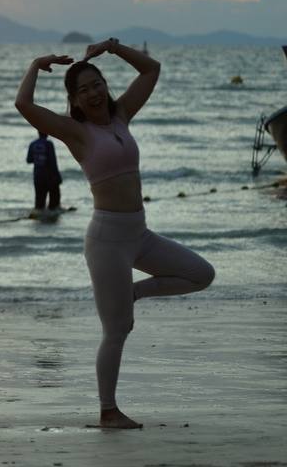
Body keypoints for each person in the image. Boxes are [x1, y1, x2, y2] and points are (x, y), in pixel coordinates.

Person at [14, 38, 214, 429]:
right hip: (107, 241)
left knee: (201, 274)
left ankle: (134, 292)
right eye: (83, 90)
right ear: (74, 99)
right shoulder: (76, 132)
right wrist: (36, 65)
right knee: (118, 329)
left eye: (97, 84)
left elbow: (151, 69)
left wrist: (113, 47)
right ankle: (108, 411)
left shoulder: (122, 115)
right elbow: (24, 105)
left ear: (106, 86)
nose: (92, 93)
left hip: (140, 234)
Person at [26, 130, 62, 212]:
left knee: (39, 203)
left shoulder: (33, 144)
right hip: (49, 177)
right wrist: (58, 177)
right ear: (47, 133)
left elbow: (29, 160)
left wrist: (38, 158)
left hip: (38, 176)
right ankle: (52, 216)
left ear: (38, 133)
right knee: (54, 202)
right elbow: (53, 162)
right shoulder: (49, 144)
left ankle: (39, 216)